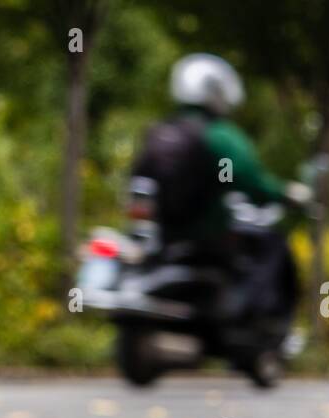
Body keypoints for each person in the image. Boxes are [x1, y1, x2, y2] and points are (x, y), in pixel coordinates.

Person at [131, 53, 311, 316]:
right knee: (270, 243)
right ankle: (253, 315)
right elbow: (251, 181)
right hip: (206, 237)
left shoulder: (161, 130)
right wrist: (285, 193)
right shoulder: (220, 135)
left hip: (160, 238)